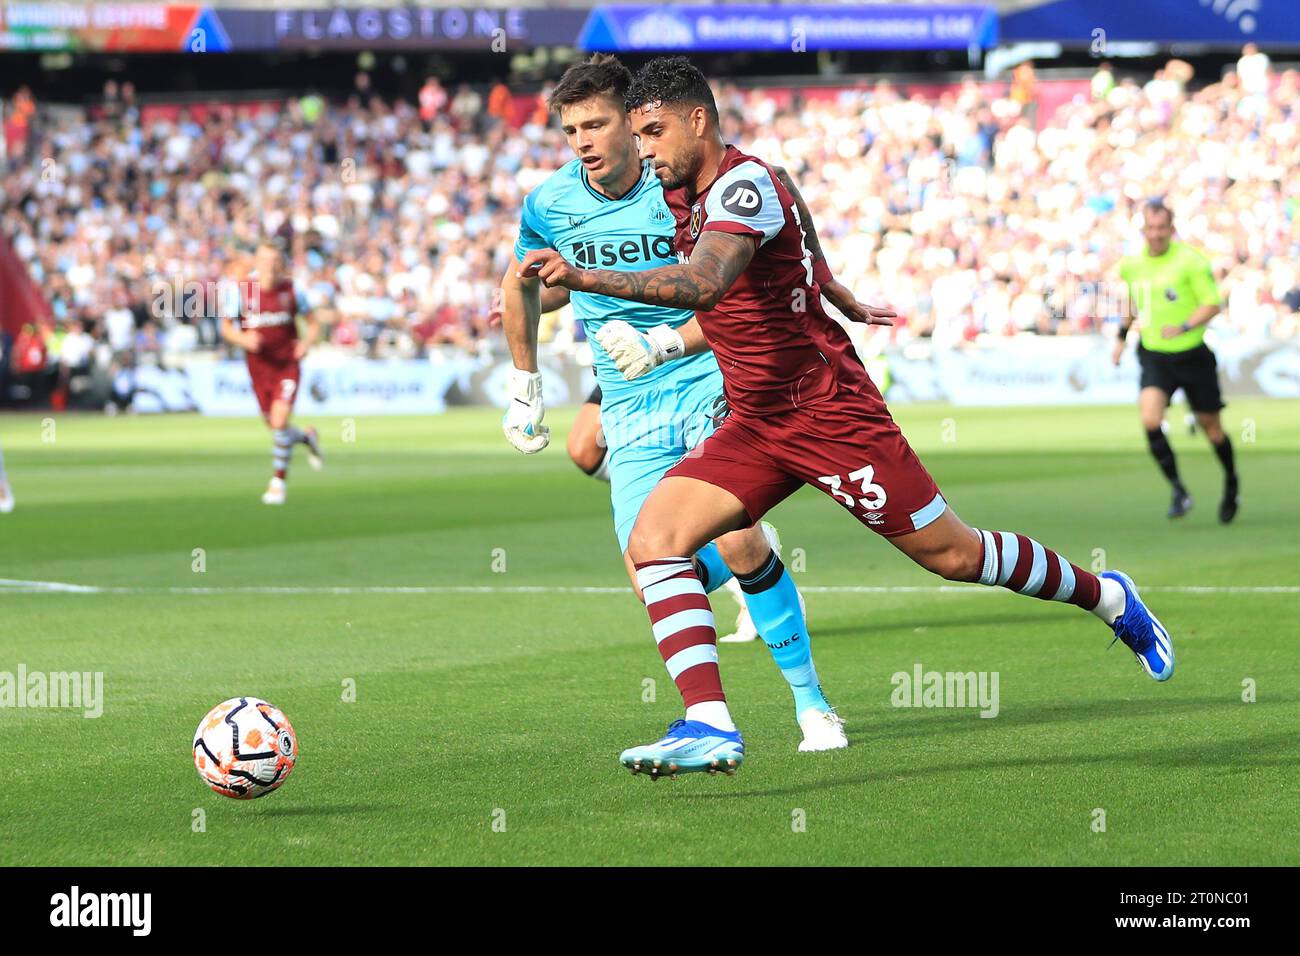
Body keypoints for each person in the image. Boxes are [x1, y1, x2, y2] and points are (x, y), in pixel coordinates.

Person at [520, 56, 1175, 780]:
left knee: (955, 556)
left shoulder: (741, 186)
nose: (643, 150)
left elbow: (705, 280)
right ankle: (708, 722)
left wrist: (583, 277)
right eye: (636, 134)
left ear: (696, 120)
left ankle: (1108, 595)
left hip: (830, 415)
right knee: (655, 541)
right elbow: (795, 199)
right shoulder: (688, 185)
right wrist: (825, 279)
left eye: (653, 132)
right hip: (755, 421)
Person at [502, 55, 890, 754]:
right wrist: (524, 383)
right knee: (649, 565)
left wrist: (824, 279)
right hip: (629, 404)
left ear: (636, 120)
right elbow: (523, 282)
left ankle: (812, 706)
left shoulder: (679, 184)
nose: (585, 141)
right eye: (570, 130)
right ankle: (712, 719)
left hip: (714, 376)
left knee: (738, 537)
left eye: (598, 123)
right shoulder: (550, 203)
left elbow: (778, 197)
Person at [1113, 201, 1237, 522]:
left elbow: (1212, 304)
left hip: (1193, 354)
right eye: (1150, 229)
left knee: (1213, 430)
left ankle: (1231, 482)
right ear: (1144, 230)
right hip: (1155, 354)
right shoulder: (1131, 265)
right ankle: (1179, 490)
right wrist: (1120, 338)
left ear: (1171, 229)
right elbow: (1131, 302)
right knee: (1151, 420)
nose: (1156, 235)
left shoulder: (1190, 261)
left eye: (1161, 228)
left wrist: (1183, 326)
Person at [219, 240, 324, 505]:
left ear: (281, 264)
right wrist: (242, 340)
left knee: (279, 422)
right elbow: (227, 327)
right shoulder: (241, 292)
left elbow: (312, 324)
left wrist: (306, 344)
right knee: (276, 426)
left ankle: (278, 482)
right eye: (265, 261)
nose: (270, 267)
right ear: (256, 262)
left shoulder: (291, 291)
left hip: (287, 365)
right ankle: (307, 437)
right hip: (258, 369)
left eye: (275, 261)